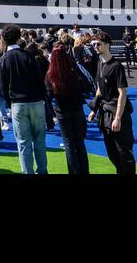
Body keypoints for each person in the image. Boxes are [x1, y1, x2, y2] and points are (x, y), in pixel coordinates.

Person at [0, 25, 47, 174]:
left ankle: (28, 172)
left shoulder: (4, 59)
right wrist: (42, 97)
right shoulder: (27, 55)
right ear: (19, 38)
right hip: (36, 101)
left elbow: (3, 85)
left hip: (18, 104)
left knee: (23, 142)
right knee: (39, 140)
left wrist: (8, 103)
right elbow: (39, 79)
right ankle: (42, 171)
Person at [88, 30, 135, 174]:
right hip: (105, 114)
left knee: (124, 152)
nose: (95, 47)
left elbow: (122, 94)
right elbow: (99, 89)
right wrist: (94, 110)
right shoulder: (99, 64)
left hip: (117, 113)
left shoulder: (117, 66)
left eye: (98, 44)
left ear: (107, 45)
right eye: (93, 44)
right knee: (112, 152)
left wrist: (118, 118)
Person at [46, 36, 89, 174]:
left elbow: (48, 93)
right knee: (79, 142)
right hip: (76, 107)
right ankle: (84, 171)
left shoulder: (50, 75)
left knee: (69, 143)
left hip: (62, 110)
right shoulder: (72, 71)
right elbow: (85, 86)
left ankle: (74, 171)